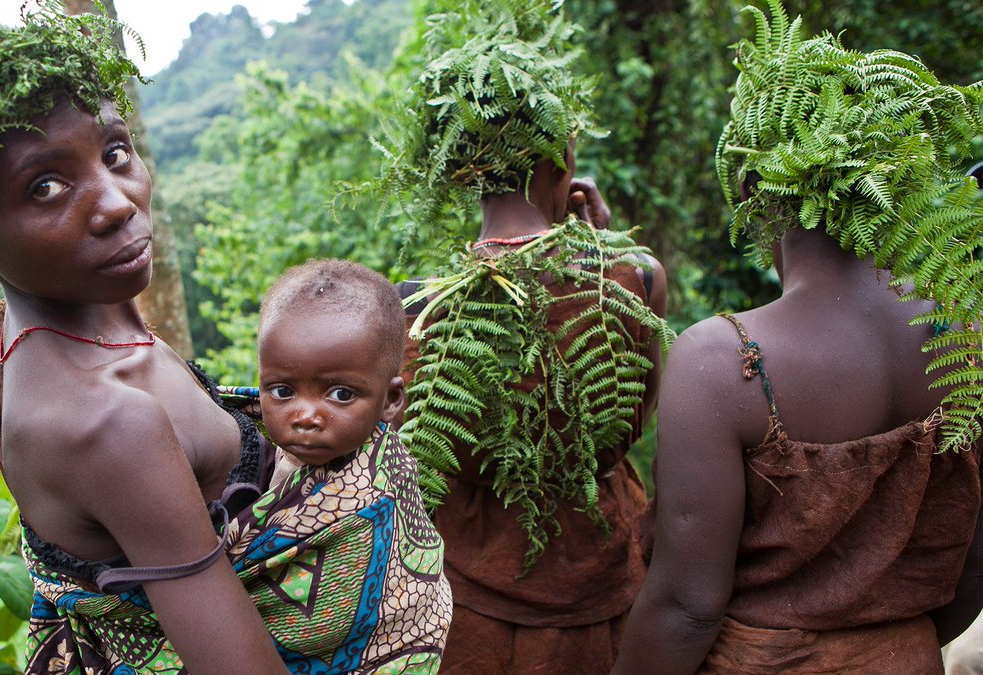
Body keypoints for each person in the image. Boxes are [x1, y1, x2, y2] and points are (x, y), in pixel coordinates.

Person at [0, 4, 288, 673]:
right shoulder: (103, 421)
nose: (117, 200)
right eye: (47, 185)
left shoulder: (69, 316)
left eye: (115, 152)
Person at [612, 3, 983, 673]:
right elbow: (974, 563)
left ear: (753, 193)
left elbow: (686, 608)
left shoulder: (720, 362)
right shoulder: (966, 332)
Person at [375, 3, 671, 671]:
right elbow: (631, 418)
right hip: (604, 598)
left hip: (466, 610)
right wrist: (606, 250)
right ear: (565, 152)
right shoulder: (637, 280)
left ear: (455, 169)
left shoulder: (417, 310)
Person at [220, 259, 452, 673]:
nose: (306, 415)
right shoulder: (239, 450)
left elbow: (406, 607)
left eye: (341, 394)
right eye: (282, 390)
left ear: (391, 401)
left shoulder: (384, 485)